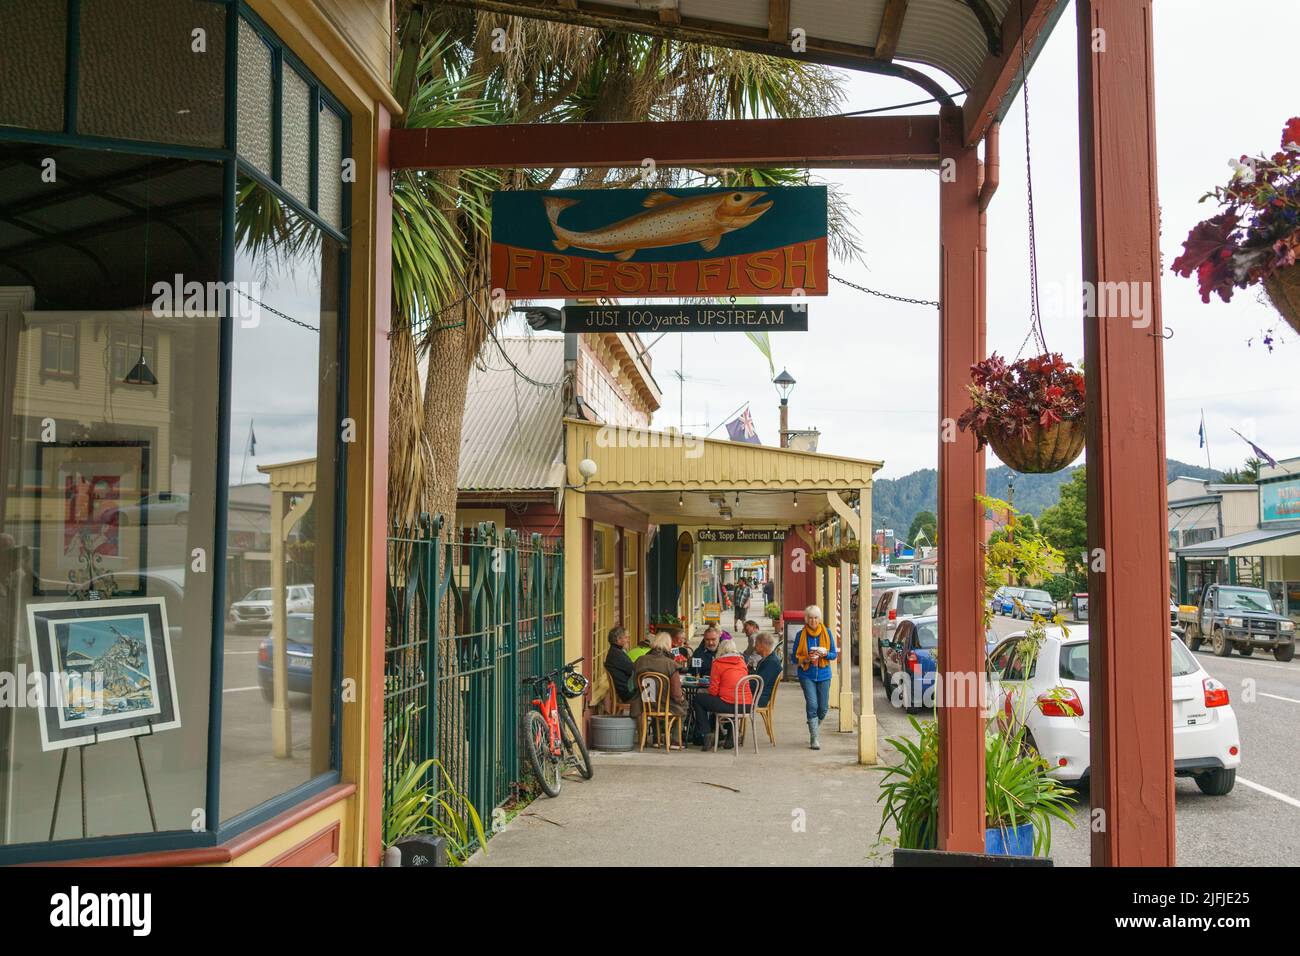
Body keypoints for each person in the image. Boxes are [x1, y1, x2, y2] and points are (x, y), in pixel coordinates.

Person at [692, 638, 754, 750]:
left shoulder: (718, 663)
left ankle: (706, 733)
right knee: (730, 700)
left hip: (729, 705)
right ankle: (730, 736)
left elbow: (713, 691)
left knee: (698, 699)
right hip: (746, 705)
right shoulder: (742, 662)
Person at [791, 604, 837, 750]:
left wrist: (825, 654)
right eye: (810, 618)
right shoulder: (800, 635)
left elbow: (834, 654)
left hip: (824, 674)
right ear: (806, 619)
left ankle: (814, 725)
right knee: (812, 705)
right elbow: (793, 658)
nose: (813, 621)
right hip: (807, 674)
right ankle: (814, 738)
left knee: (823, 708)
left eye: (816, 618)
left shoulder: (827, 632)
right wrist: (806, 659)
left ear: (819, 619)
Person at [631, 632, 687, 748]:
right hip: (664, 705)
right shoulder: (670, 664)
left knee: (657, 699)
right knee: (683, 705)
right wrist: (682, 698)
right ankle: (675, 741)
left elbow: (633, 684)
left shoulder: (640, 660)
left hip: (644, 704)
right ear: (668, 645)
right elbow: (676, 694)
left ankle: (657, 739)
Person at [603, 626, 638, 707]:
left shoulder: (616, 651)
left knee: (652, 690)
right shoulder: (617, 654)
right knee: (653, 691)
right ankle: (654, 716)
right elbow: (634, 669)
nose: (628, 640)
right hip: (627, 693)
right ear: (618, 640)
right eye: (626, 637)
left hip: (625, 690)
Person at [749, 632, 783, 710]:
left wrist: (743, 683)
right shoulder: (769, 659)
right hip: (759, 695)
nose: (754, 647)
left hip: (760, 698)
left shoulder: (771, 662)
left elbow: (759, 683)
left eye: (756, 644)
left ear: (762, 646)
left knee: (732, 698)